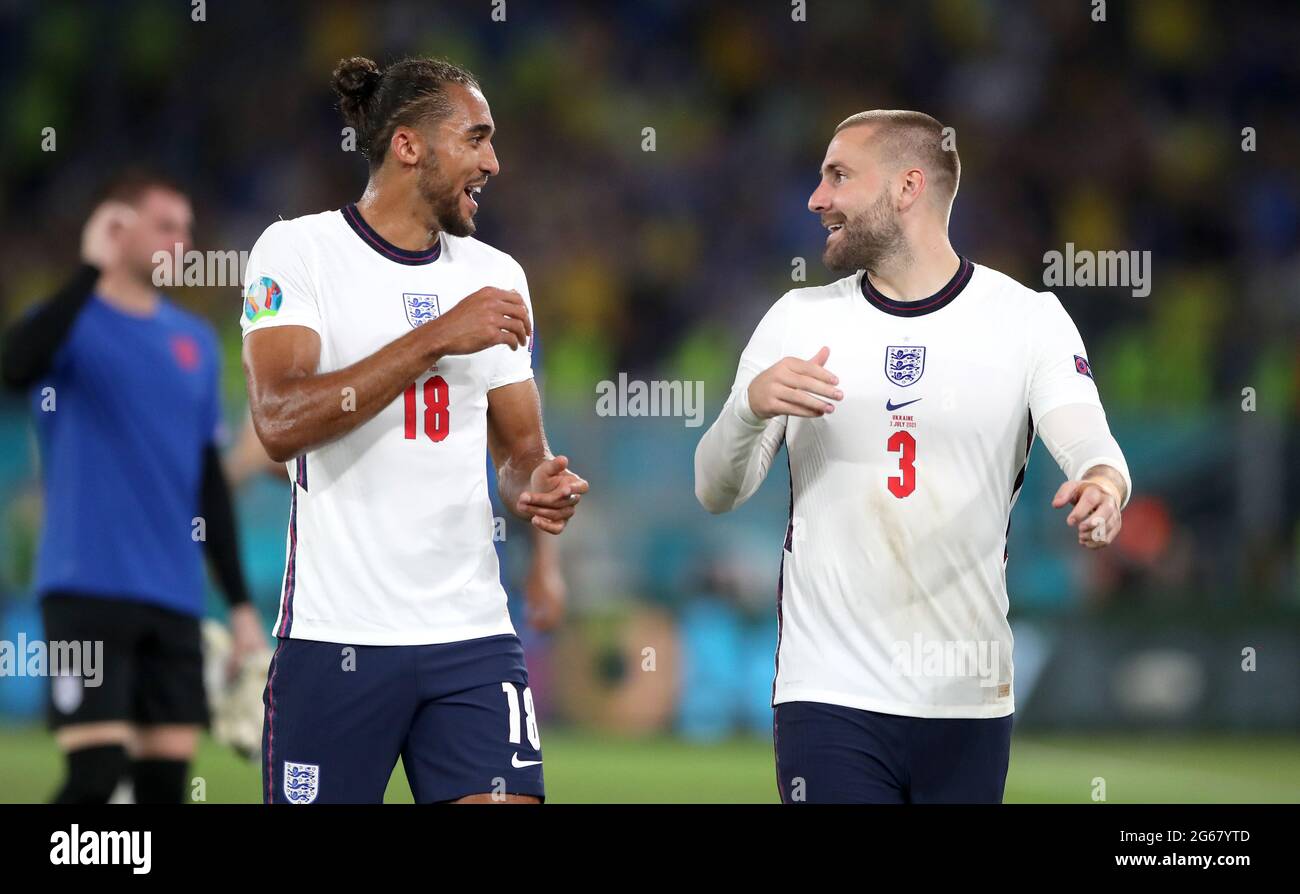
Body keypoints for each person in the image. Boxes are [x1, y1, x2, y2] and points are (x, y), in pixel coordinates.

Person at [694, 110, 1131, 804]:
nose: (816, 199)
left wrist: (1103, 482)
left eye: (838, 175)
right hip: (828, 692)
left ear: (907, 187)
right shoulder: (798, 319)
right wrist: (750, 406)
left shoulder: (1026, 319)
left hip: (967, 694)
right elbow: (715, 489)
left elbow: (1088, 440)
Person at [241, 56, 587, 804]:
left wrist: (539, 486)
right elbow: (278, 422)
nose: (493, 161)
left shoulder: (497, 275)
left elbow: (521, 451)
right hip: (337, 639)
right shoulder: (297, 253)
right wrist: (434, 339)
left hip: (472, 636)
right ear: (408, 146)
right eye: (476, 138)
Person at [0, 171, 262, 804]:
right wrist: (91, 269)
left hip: (174, 596)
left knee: (162, 787)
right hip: (85, 586)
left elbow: (208, 486)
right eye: (166, 226)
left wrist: (241, 606)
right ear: (118, 228)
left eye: (188, 230)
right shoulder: (65, 325)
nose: (183, 242)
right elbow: (12, 371)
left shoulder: (195, 344)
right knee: (95, 778)